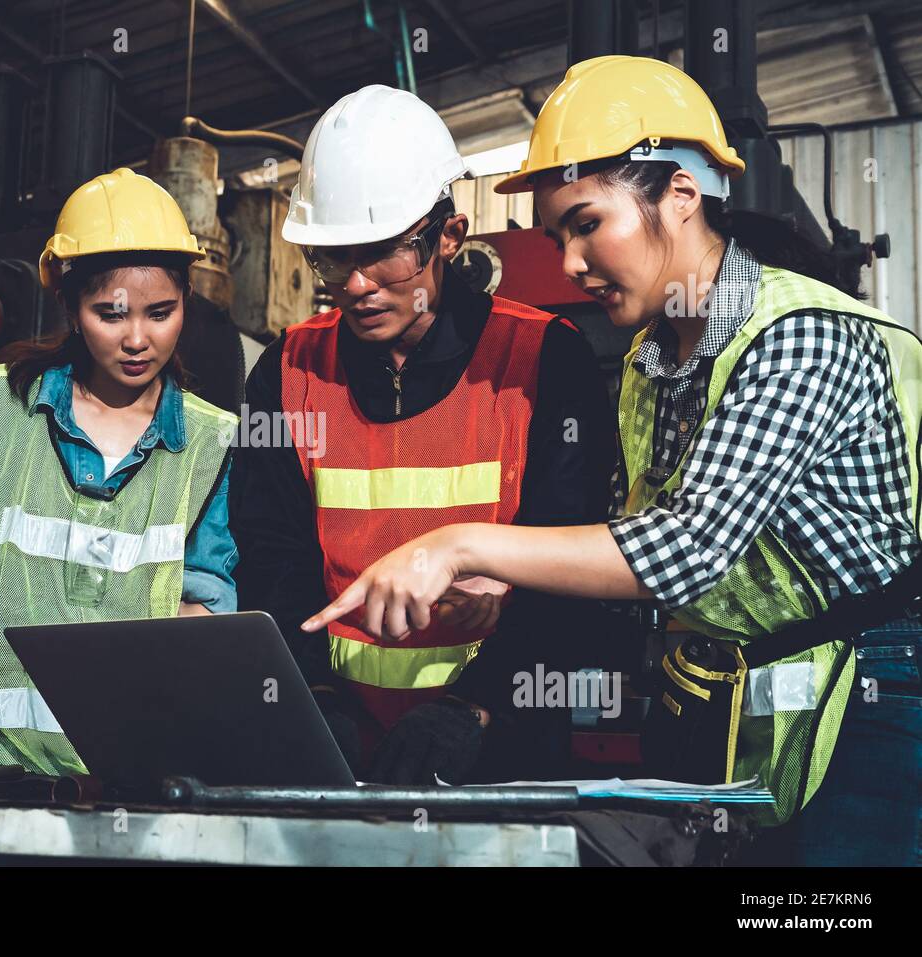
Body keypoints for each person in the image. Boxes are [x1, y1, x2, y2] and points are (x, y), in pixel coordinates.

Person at [303, 56, 922, 865]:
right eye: (559, 234)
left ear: (682, 195)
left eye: (588, 223)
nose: (568, 262)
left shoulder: (796, 333)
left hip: (871, 689)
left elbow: (686, 548)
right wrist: (511, 584)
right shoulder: (652, 357)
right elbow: (638, 532)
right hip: (746, 688)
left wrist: (459, 544)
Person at [231, 84, 615, 784]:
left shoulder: (542, 361)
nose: (353, 284)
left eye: (381, 254)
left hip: (499, 752)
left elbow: (577, 573)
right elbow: (270, 560)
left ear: (448, 236)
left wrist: (480, 706)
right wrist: (312, 695)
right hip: (333, 750)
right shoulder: (286, 371)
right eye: (329, 257)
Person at [0, 167, 238, 776]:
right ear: (71, 310)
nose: (137, 339)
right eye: (110, 313)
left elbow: (208, 610)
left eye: (161, 312)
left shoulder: (209, 442)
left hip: (125, 766)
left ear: (185, 306)